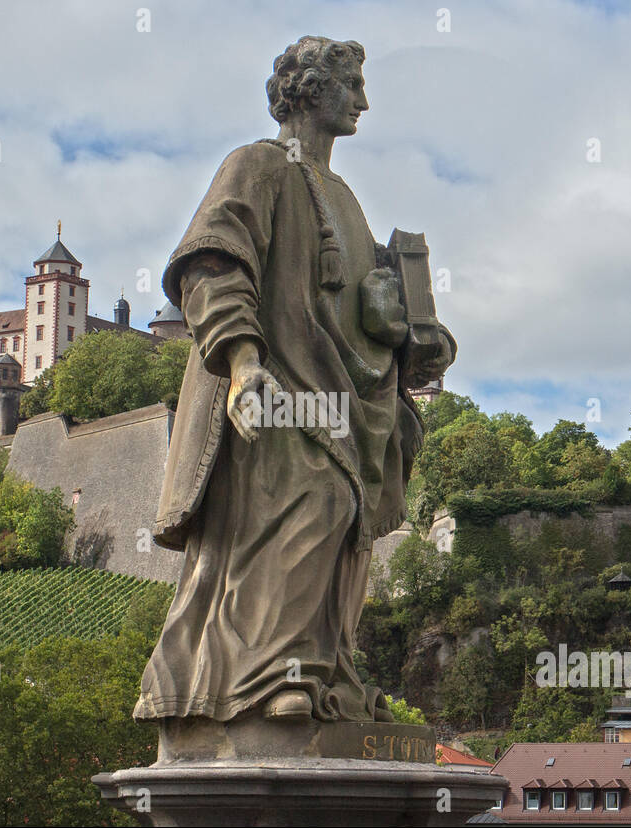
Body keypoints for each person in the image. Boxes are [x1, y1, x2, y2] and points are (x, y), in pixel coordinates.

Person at [133, 36, 454, 725]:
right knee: (319, 504)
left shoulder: (345, 198)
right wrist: (244, 366)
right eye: (352, 85)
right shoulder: (255, 165)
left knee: (346, 529)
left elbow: (363, 309)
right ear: (310, 90)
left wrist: (399, 325)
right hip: (277, 391)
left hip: (346, 398)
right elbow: (212, 263)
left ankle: (323, 673)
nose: (363, 100)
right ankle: (261, 681)